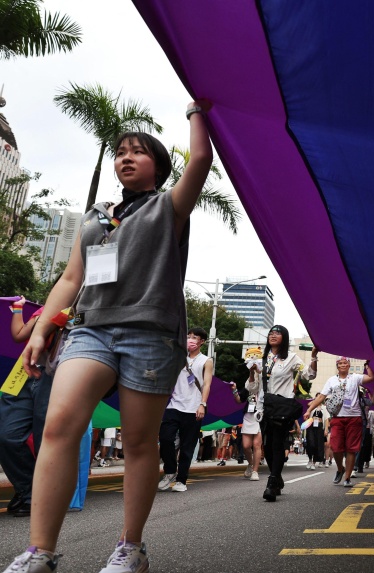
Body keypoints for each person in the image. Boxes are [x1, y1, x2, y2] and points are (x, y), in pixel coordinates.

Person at [2, 103, 213, 573]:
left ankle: (130, 547)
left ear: (158, 166)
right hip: (91, 329)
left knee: (139, 442)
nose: (125, 157)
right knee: (58, 427)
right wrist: (41, 330)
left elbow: (201, 160)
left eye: (138, 152)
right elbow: (71, 279)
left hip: (151, 335)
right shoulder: (96, 217)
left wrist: (198, 108)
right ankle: (40, 551)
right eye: (120, 152)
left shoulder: (169, 206)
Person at [0, 297, 49, 517]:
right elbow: (19, 334)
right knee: (7, 435)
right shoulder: (43, 312)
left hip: (54, 376)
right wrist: (18, 308)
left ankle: (34, 497)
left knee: (45, 441)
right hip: (23, 375)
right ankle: (27, 490)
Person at [259, 325, 317, 501]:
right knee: (267, 446)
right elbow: (256, 385)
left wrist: (314, 357)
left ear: (284, 337)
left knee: (277, 443)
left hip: (282, 407)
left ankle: (271, 482)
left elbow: (309, 375)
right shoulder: (263, 358)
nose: (273, 335)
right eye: (271, 333)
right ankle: (277, 477)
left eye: (277, 333)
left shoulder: (291, 358)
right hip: (264, 407)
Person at [303, 357, 374, 487]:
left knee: (351, 449)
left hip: (354, 417)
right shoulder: (332, 380)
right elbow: (321, 396)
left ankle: (347, 477)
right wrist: (309, 410)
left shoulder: (355, 378)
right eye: (340, 363)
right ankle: (340, 469)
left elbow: (371, 378)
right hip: (337, 417)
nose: (343, 365)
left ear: (349, 366)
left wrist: (368, 366)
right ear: (337, 366)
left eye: (345, 363)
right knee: (335, 447)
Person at [157, 327, 213, 492]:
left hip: (194, 408)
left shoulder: (206, 360)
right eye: (188, 336)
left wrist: (203, 404)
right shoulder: (179, 356)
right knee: (165, 438)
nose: (190, 339)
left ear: (202, 341)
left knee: (188, 446)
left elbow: (207, 383)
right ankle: (169, 472)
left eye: (194, 337)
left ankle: (181, 480)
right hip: (174, 405)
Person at [229, 366, 264, 480]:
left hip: (259, 418)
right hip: (248, 418)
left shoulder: (265, 389)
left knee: (256, 445)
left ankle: (255, 471)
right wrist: (234, 390)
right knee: (246, 446)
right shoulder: (248, 388)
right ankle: (250, 464)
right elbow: (239, 400)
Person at [304, 396, 326, 470]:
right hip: (311, 425)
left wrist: (326, 429)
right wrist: (315, 401)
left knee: (317, 444)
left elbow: (326, 419)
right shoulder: (312, 406)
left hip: (319, 426)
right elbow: (308, 404)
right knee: (311, 443)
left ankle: (314, 462)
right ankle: (310, 459)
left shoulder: (324, 408)